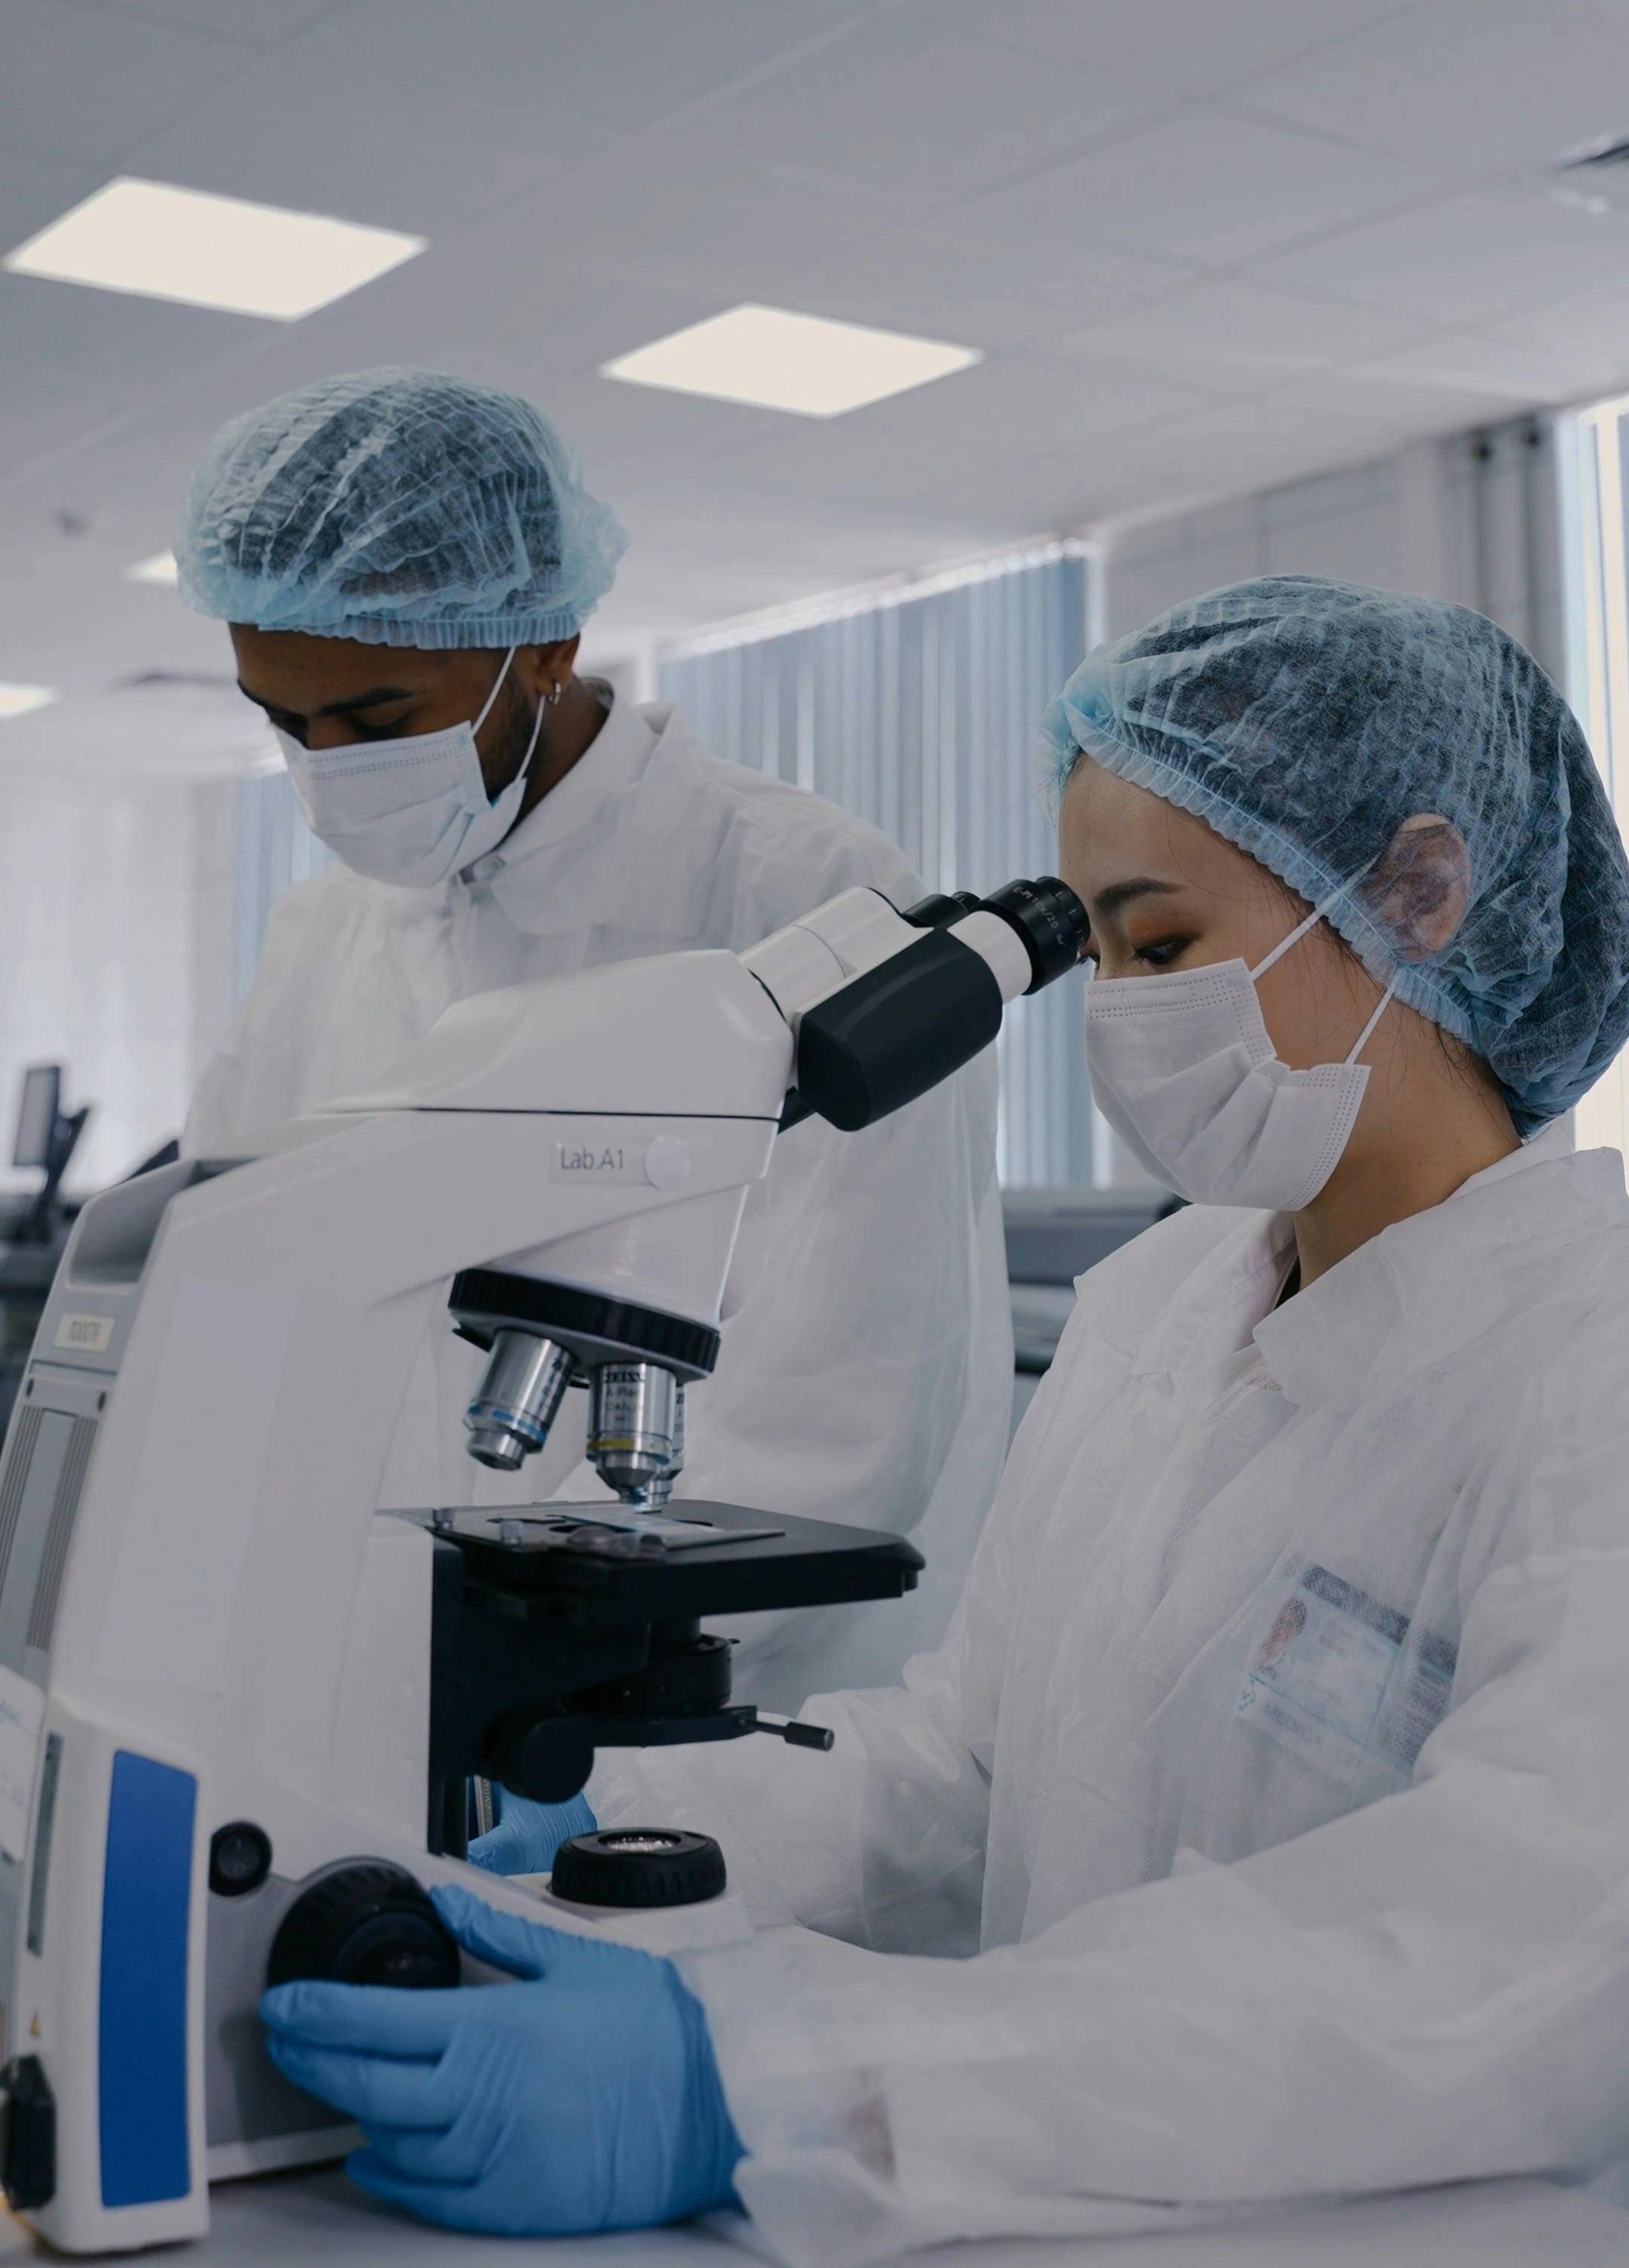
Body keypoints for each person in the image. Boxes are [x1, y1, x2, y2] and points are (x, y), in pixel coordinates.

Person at [263, 575, 1629, 2255]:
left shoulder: (1591, 1363)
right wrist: (590, 1841)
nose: (1121, 1011)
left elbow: (1500, 1962)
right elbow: (962, 1770)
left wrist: (781, 2084)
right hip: (1070, 2202)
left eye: (1168, 943)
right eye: (1104, 953)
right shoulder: (1158, 1314)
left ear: (1420, 891)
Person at [176, 366, 1009, 1704]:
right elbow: (233, 1280)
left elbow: (852, 1393)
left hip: (684, 1697)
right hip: (358, 1666)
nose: (330, 770)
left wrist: (535, 1671)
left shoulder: (805, 897)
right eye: (287, 724)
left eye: (380, 720)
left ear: (547, 647)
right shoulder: (326, 930)